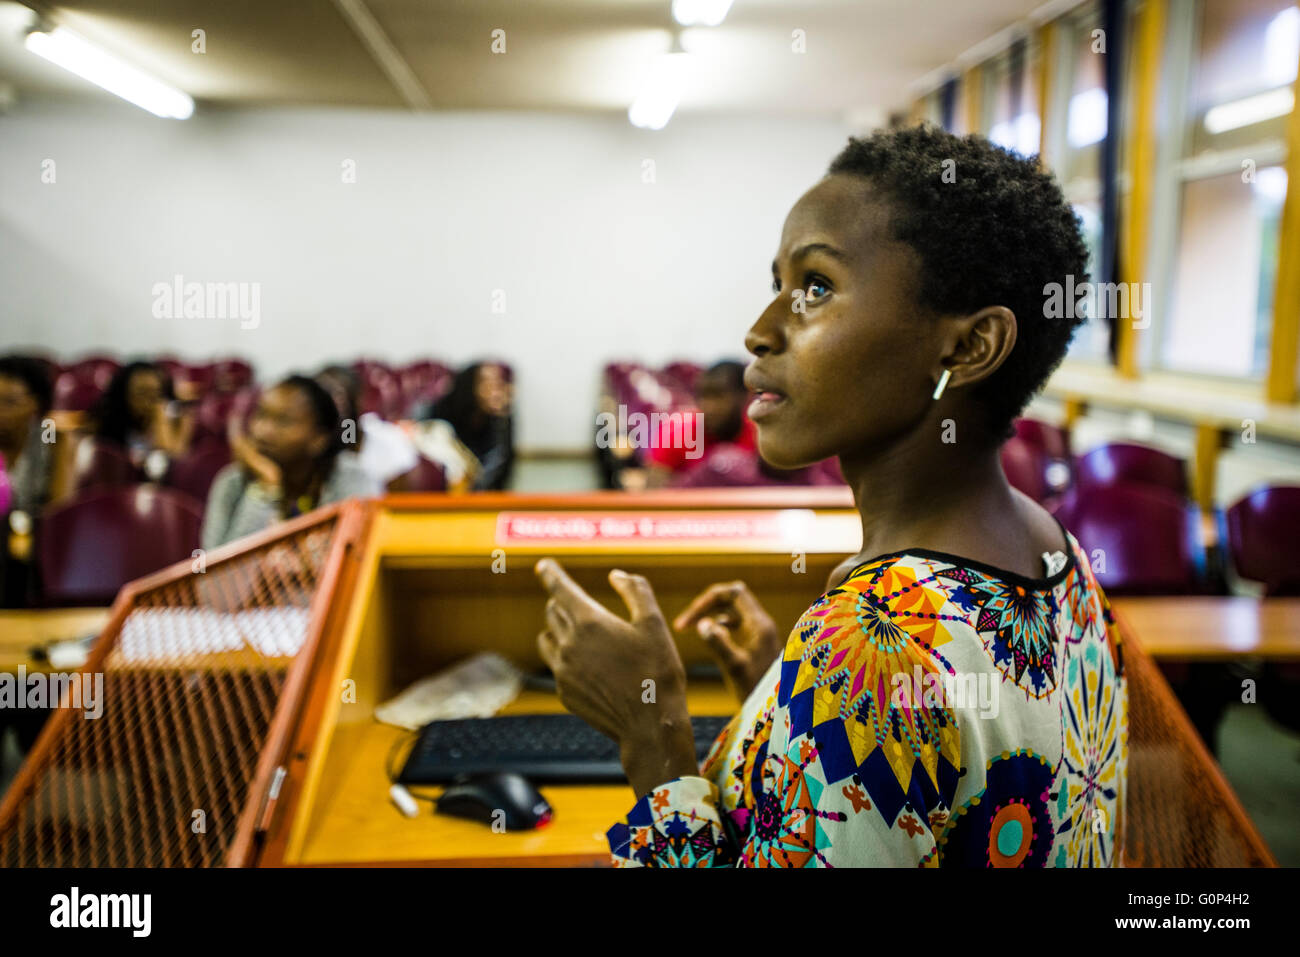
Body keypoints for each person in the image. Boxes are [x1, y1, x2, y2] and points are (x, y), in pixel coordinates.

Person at [533, 125, 1128, 867]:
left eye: (815, 287)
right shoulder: (1056, 549)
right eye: (777, 284)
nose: (758, 330)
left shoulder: (875, 648)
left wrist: (651, 737)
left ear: (968, 347)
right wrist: (778, 704)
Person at [201, 375, 380, 549]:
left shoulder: (351, 478)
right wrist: (266, 487)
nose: (262, 431)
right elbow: (216, 576)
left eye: (283, 421)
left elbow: (358, 558)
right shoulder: (232, 482)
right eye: (261, 415)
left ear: (319, 438)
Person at [0, 356, 57, 607]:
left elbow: (58, 508)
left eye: (9, 403)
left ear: (35, 405)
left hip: (37, 542)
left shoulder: (49, 439)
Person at [316, 365, 419, 490]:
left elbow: (349, 446)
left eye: (339, 399)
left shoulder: (389, 440)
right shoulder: (311, 444)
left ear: (358, 400)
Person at [416, 362, 514, 491]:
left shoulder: (498, 419)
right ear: (470, 386)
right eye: (486, 383)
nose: (494, 391)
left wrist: (504, 420)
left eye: (497, 384)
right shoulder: (441, 410)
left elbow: (499, 471)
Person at [89, 360, 194, 477]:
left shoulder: (176, 420)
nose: (149, 402)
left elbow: (172, 463)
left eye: (156, 394)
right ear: (123, 396)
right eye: (141, 393)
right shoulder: (110, 426)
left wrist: (160, 422)